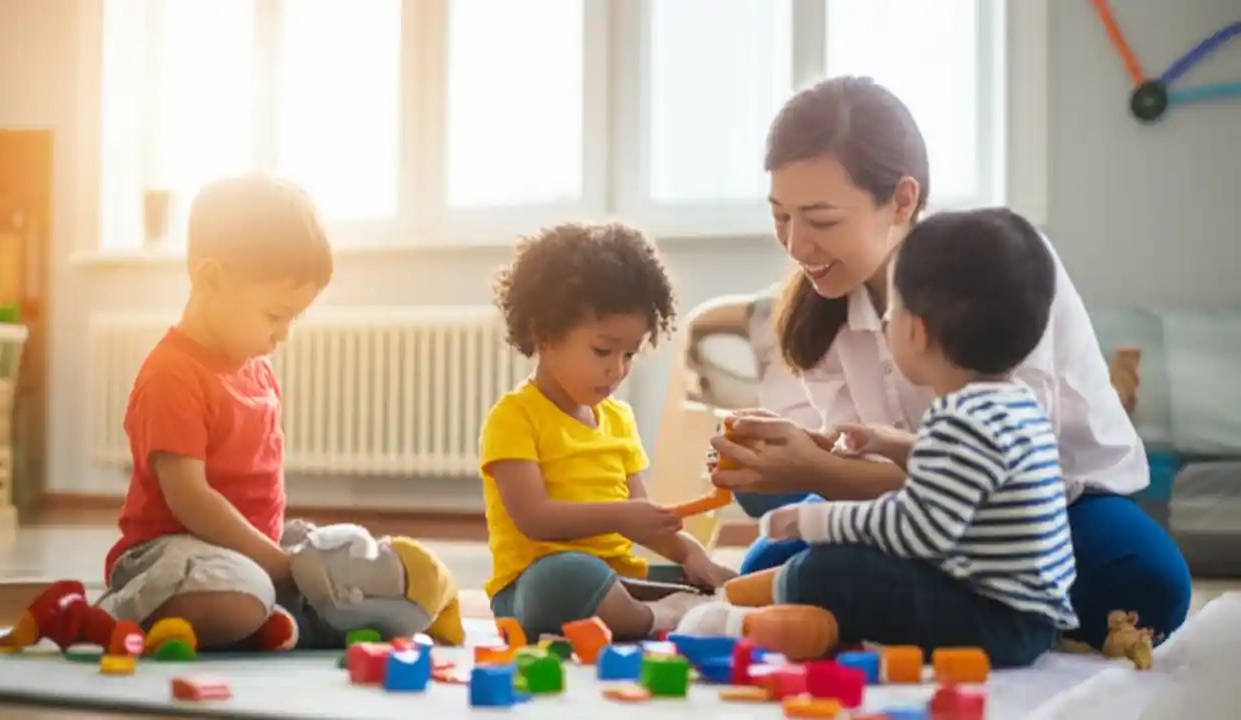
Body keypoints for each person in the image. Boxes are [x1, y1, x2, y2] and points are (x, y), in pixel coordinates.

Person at [710, 76, 1191, 651]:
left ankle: (917, 599)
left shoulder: (996, 265)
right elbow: (874, 460)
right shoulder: (822, 309)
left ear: (903, 200)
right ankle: (921, 597)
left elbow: (991, 476)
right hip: (913, 499)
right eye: (781, 216)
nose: (796, 245)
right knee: (767, 545)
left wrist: (817, 473)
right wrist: (810, 450)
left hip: (1048, 507)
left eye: (821, 219)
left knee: (1148, 585)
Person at [684, 208, 1076, 667]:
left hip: (993, 620)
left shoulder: (962, 417)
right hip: (1027, 616)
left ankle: (736, 619)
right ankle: (779, 604)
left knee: (836, 567)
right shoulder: (1011, 403)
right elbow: (964, 472)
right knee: (838, 564)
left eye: (891, 311)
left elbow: (918, 531)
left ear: (915, 330)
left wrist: (817, 522)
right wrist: (889, 443)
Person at [97, 174, 333, 650]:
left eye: (294, 318)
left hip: (242, 553)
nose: (283, 334)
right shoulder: (172, 374)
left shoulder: (256, 369)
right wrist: (274, 564)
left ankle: (265, 615)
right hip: (168, 551)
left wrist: (289, 560)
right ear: (211, 281)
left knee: (340, 567)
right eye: (274, 315)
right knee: (243, 595)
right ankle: (111, 613)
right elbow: (191, 500)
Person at [480, 222, 735, 641]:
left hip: (614, 579)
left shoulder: (618, 420)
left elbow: (643, 522)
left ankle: (667, 605)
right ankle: (663, 618)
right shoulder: (513, 417)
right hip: (536, 586)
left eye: (629, 354)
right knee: (568, 576)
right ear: (545, 335)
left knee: (700, 579)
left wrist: (692, 554)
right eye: (603, 351)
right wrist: (620, 514)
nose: (616, 369)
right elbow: (535, 519)